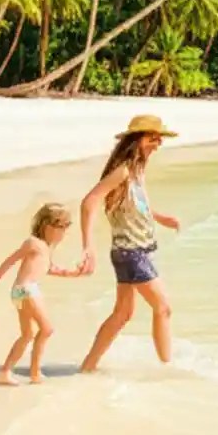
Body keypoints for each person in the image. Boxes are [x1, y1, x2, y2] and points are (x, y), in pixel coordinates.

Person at [78, 115, 181, 373]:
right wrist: (88, 247)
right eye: (152, 137)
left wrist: (159, 217)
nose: (157, 143)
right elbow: (89, 202)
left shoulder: (136, 170)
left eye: (159, 138)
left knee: (122, 314)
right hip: (132, 253)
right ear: (136, 140)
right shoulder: (123, 171)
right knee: (163, 307)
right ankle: (167, 368)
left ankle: (88, 367)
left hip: (131, 251)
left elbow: (135, 203)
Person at [0, 203, 80, 385]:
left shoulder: (46, 248)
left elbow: (48, 268)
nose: (64, 232)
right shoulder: (33, 243)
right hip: (26, 290)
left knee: (28, 335)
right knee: (47, 329)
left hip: (21, 292)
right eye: (61, 227)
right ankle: (35, 373)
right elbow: (10, 261)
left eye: (66, 227)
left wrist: (72, 273)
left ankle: (5, 372)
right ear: (47, 226)